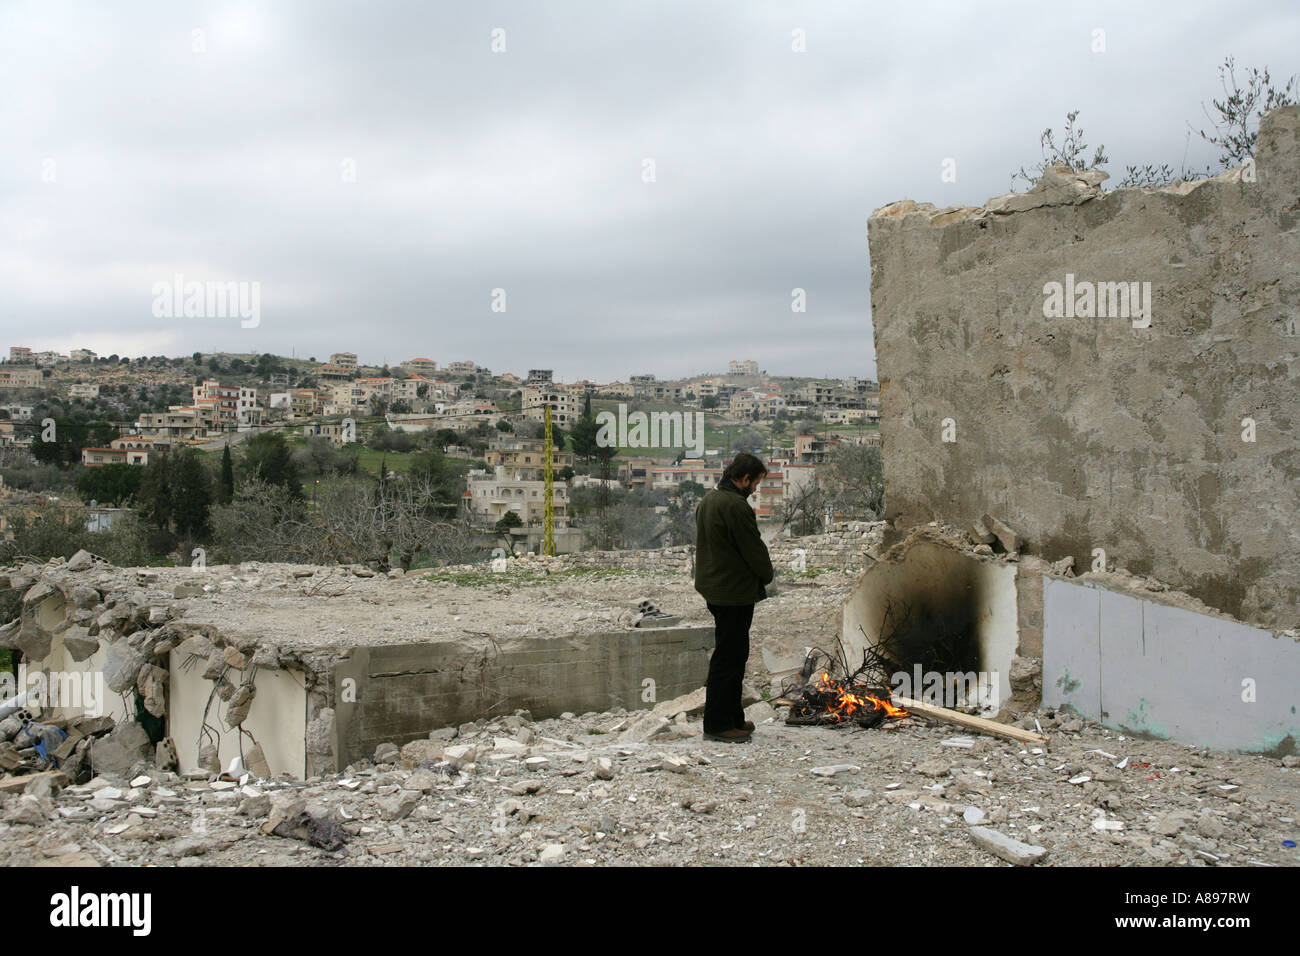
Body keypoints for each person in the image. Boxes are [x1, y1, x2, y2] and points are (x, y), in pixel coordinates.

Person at [693, 452, 773, 742]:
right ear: (745, 479)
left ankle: (733, 718)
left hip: (716, 589)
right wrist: (766, 575)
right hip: (733, 592)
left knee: (733, 655)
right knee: (729, 659)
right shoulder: (736, 506)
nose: (755, 489)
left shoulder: (709, 500)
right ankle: (717, 725)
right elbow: (753, 549)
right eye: (756, 483)